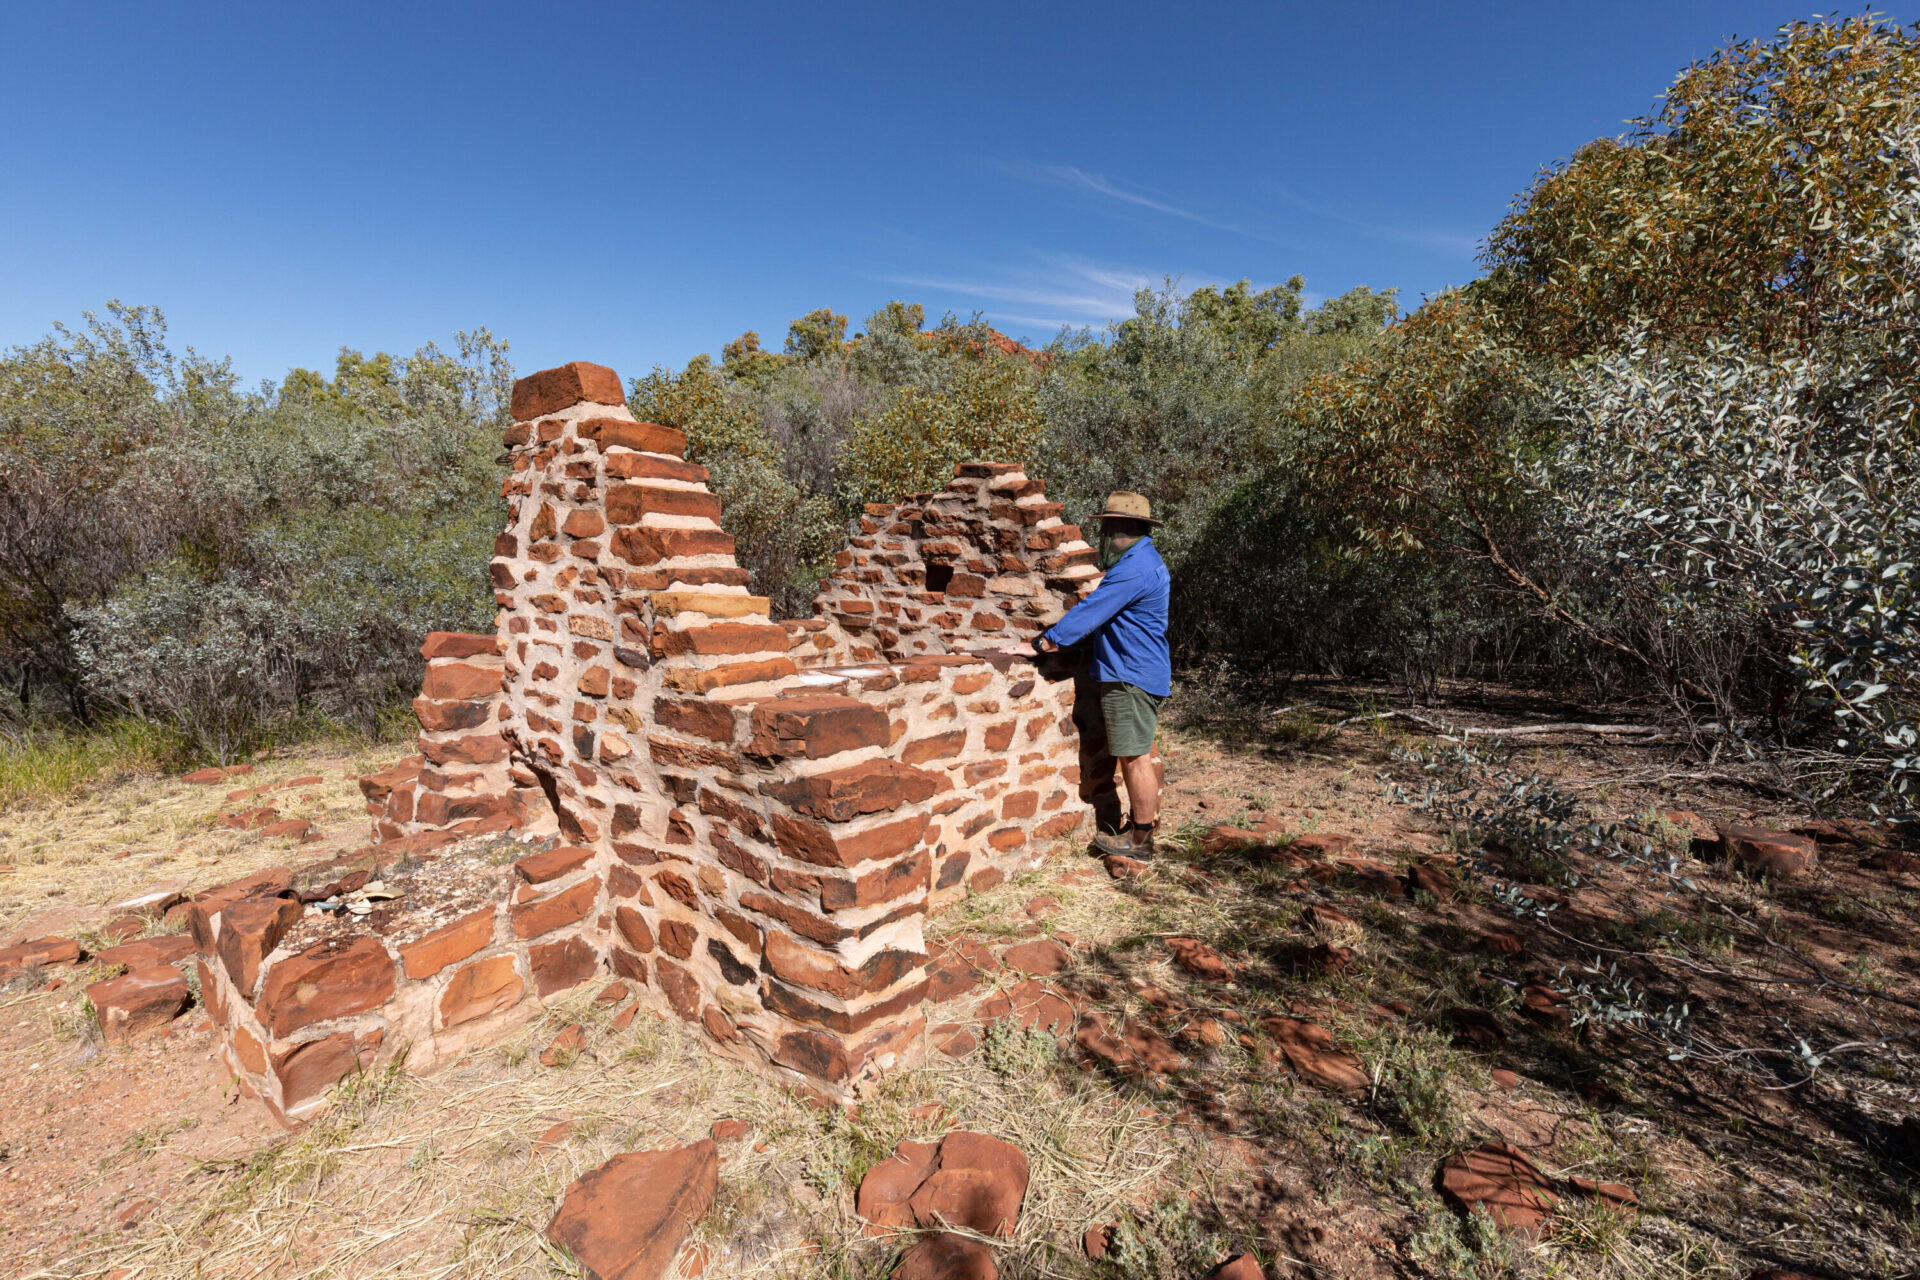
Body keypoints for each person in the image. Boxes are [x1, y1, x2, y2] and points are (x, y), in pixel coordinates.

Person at [1025, 491, 1170, 859]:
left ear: (1123, 528)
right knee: (1134, 755)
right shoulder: (1143, 561)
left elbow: (1091, 614)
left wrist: (1043, 643)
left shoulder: (1133, 569)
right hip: (1137, 669)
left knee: (1134, 758)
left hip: (1129, 675)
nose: (1103, 535)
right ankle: (1142, 831)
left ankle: (1139, 842)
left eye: (1106, 528)